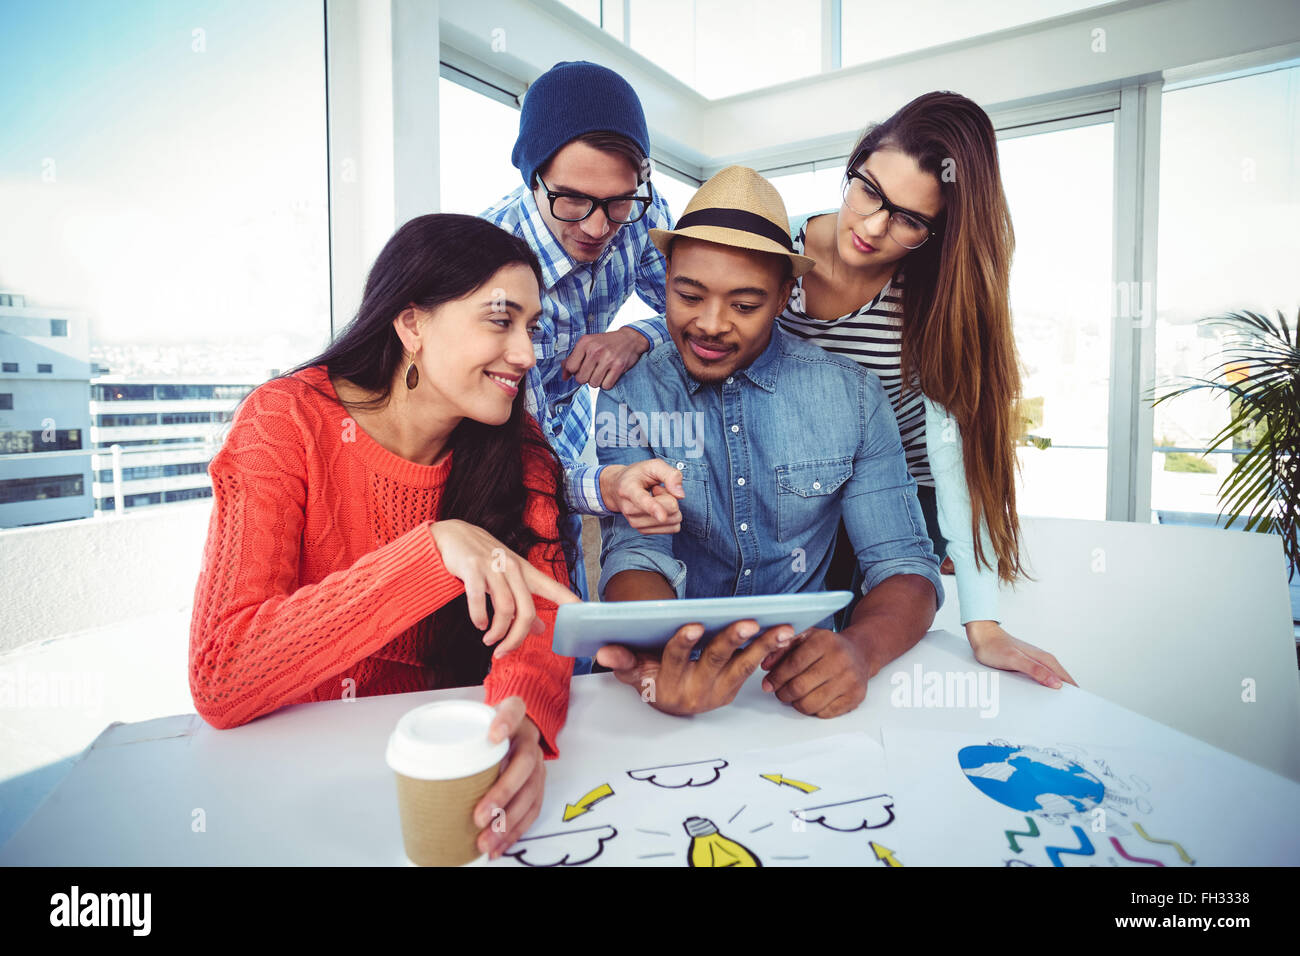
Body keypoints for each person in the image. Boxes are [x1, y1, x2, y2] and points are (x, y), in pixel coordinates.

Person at [189, 214, 580, 860]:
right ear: (411, 324)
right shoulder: (284, 422)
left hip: (446, 781)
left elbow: (540, 618)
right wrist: (430, 551)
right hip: (293, 789)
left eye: (532, 328)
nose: (528, 353)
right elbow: (221, 672)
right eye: (500, 320)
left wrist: (523, 724)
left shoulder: (521, 450)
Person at [592, 166, 944, 719]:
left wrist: (859, 649)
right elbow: (636, 554)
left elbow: (904, 564)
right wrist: (666, 659)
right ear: (665, 282)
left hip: (794, 691)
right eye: (689, 295)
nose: (711, 325)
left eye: (745, 305)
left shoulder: (853, 397)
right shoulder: (631, 391)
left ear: (784, 297)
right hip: (665, 677)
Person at [777, 91, 1075, 689]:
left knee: (870, 652)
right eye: (868, 191)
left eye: (910, 220)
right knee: (792, 643)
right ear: (854, 163)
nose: (872, 226)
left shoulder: (932, 298)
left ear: (936, 232)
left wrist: (982, 623)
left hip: (904, 491)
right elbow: (707, 318)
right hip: (798, 480)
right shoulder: (775, 250)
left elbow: (955, 453)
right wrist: (638, 334)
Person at [481, 60, 687, 605]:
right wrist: (603, 485)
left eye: (618, 200)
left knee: (567, 595)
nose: (598, 227)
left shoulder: (642, 214)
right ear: (533, 178)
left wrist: (638, 335)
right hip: (487, 451)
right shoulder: (489, 258)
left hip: (567, 430)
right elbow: (510, 450)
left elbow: (695, 310)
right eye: (572, 200)